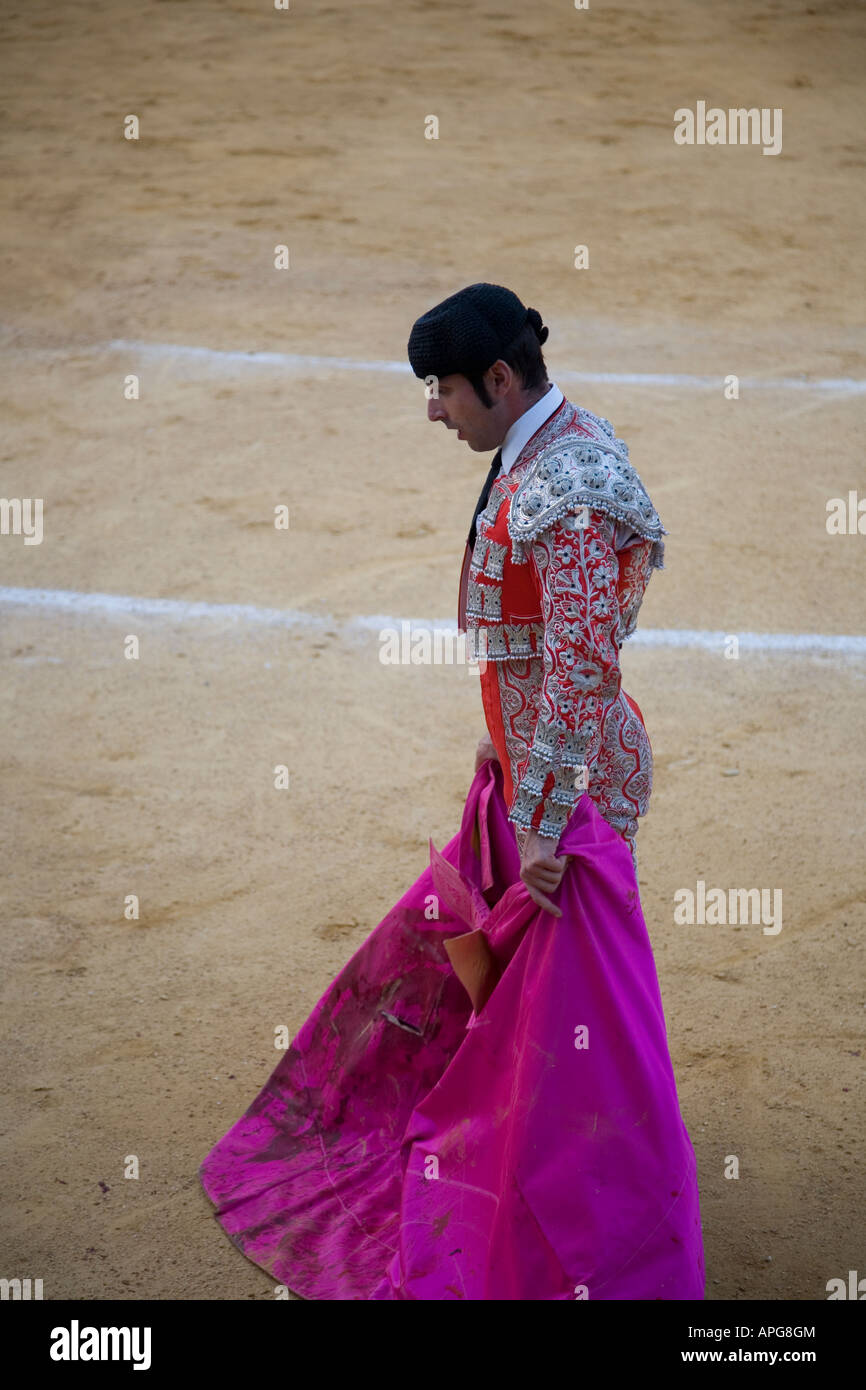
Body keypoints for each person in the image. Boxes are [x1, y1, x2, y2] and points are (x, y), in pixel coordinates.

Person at [199, 284, 705, 1301]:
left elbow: (576, 666)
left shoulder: (567, 486)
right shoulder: (540, 446)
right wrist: (507, 744)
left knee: (588, 1029)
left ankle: (604, 1244)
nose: (435, 409)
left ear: (500, 379)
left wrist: (550, 813)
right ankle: (537, 1169)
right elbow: (540, 650)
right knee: (550, 1019)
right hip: (541, 777)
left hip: (572, 806)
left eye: (444, 390)